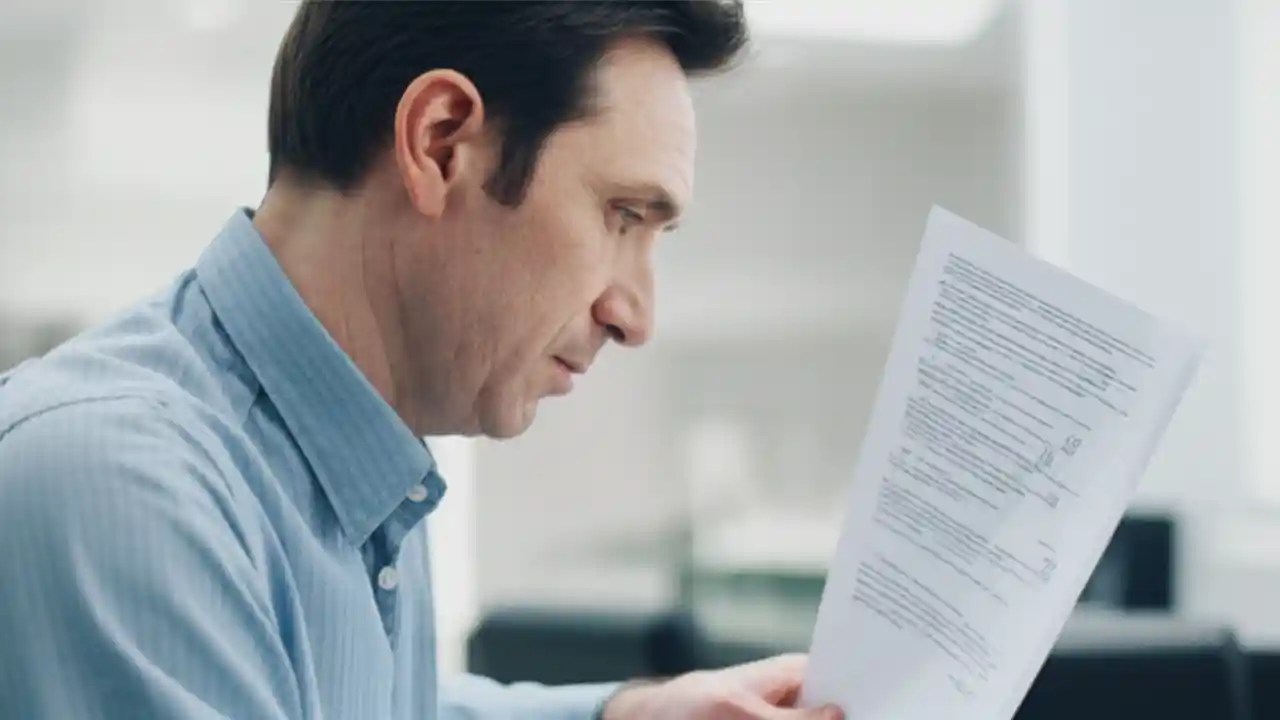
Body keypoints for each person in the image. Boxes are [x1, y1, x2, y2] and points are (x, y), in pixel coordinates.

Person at [0, 2, 845, 719]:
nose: (635, 315)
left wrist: (623, 713)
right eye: (622, 216)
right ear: (439, 143)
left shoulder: (353, 460)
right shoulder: (121, 487)